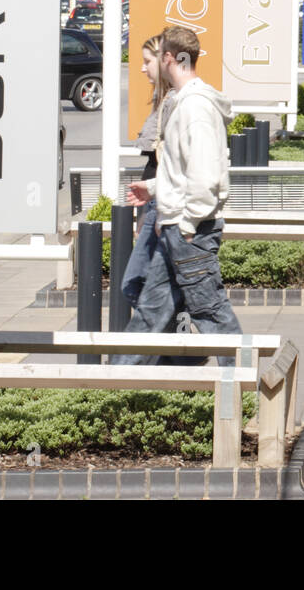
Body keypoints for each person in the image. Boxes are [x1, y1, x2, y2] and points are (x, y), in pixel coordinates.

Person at [113, 26, 243, 366]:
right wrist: (156, 189)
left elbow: (204, 174)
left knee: (211, 314)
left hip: (189, 230)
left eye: (156, 59)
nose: (149, 67)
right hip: (181, 227)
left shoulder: (194, 108)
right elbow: (187, 169)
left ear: (170, 58)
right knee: (151, 311)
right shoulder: (187, 104)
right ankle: (113, 389)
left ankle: (245, 390)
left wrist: (185, 223)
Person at [119, 34, 178, 309]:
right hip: (156, 197)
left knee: (136, 282)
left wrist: (158, 208)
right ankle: (174, 347)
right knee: (153, 285)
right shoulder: (164, 100)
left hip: (162, 200)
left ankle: (173, 348)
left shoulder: (174, 102)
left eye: (147, 62)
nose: (142, 69)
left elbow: (172, 161)